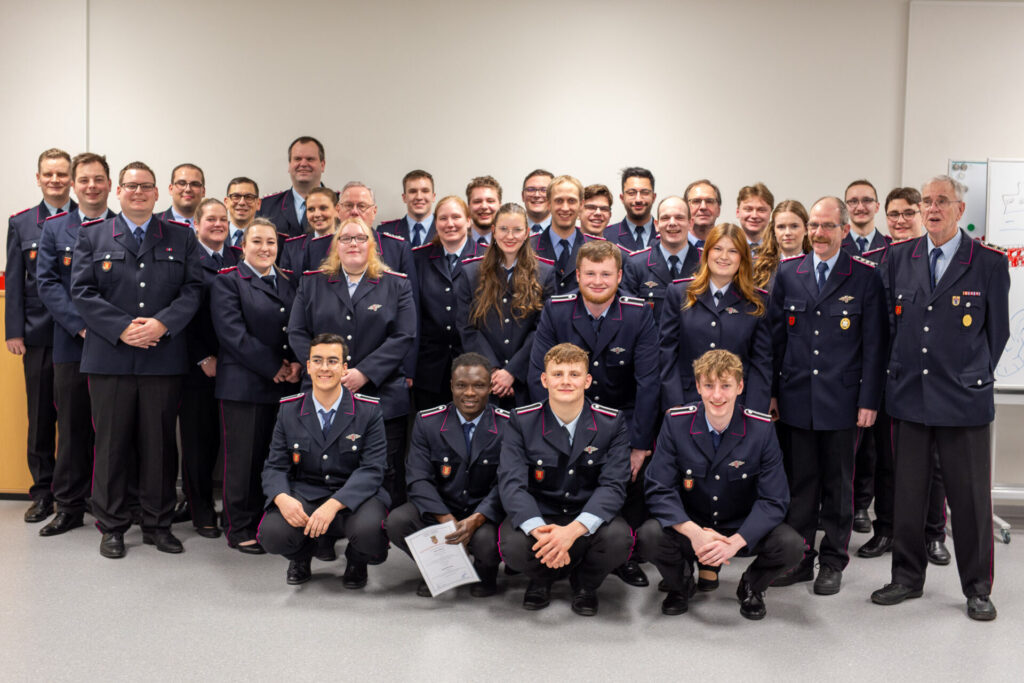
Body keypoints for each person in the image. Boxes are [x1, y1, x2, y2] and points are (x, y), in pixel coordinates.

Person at [871, 175, 1009, 621]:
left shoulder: (987, 263)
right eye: (926, 201)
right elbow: (888, 329)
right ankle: (907, 579)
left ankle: (977, 588)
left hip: (963, 401)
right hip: (909, 397)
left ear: (959, 211)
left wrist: (971, 374)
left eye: (941, 201)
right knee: (908, 496)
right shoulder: (897, 258)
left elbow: (998, 332)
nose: (932, 208)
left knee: (969, 501)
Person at [70, 161, 202, 558]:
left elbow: (193, 290)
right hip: (110, 358)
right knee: (111, 444)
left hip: (162, 358)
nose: (138, 192)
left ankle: (158, 523)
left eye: (146, 186)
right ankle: (111, 525)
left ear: (158, 193)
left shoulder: (181, 237)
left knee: (159, 444)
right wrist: (123, 328)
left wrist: (162, 324)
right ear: (118, 192)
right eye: (131, 186)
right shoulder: (92, 236)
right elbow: (82, 291)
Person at [768, 196, 887, 595]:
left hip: (843, 401)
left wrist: (869, 400)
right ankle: (800, 559)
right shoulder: (788, 273)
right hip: (797, 397)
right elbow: (775, 339)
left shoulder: (865, 276)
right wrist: (771, 393)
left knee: (839, 488)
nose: (819, 233)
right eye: (814, 226)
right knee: (801, 485)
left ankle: (833, 561)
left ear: (843, 229)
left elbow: (874, 346)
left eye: (828, 226)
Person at [528, 239, 659, 588]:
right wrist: (553, 426)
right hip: (564, 412)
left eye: (605, 274)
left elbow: (648, 382)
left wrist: (639, 444)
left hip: (623, 417)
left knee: (627, 484)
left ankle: (623, 557)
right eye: (590, 273)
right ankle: (557, 555)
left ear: (619, 276)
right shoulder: (557, 309)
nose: (597, 281)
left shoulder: (638, 312)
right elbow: (537, 373)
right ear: (578, 276)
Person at [637, 350, 802, 619]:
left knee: (792, 545)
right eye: (709, 385)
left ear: (739, 387)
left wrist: (737, 541)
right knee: (649, 536)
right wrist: (694, 532)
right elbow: (658, 488)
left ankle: (752, 586)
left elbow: (774, 499)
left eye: (725, 385)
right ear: (698, 386)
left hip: (740, 524)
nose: (717, 396)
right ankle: (681, 583)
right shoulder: (676, 423)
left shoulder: (761, 428)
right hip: (692, 523)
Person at [288, 216, 416, 508]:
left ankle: (371, 537)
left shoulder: (396, 285)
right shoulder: (311, 283)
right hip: (322, 393)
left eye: (361, 238)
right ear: (336, 245)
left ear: (372, 245)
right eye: (346, 238)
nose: (353, 244)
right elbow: (297, 332)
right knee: (323, 468)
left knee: (382, 470)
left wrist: (364, 373)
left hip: (380, 393)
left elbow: (404, 335)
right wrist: (325, 371)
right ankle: (323, 534)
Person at [498, 343, 633, 616]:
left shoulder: (611, 423)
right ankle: (541, 580)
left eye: (574, 374)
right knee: (510, 544)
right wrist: (540, 531)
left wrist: (571, 532)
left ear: (587, 380)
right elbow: (512, 483)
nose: (566, 381)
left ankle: (585, 585)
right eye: (558, 374)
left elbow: (613, 485)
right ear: (545, 380)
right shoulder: (522, 421)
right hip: (542, 518)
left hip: (584, 517)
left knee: (620, 538)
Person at [857, 187, 950, 564]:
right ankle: (887, 530)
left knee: (935, 462)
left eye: (908, 212)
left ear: (921, 214)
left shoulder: (938, 260)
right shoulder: (875, 261)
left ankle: (933, 535)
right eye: (893, 214)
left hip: (930, 379)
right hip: (886, 377)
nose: (899, 220)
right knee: (886, 460)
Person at [258, 333, 390, 587]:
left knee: (371, 534)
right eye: (317, 361)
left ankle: (356, 561)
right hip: (306, 493)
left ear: (344, 368)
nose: (324, 368)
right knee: (272, 534)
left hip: (353, 496)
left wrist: (333, 505)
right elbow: (275, 465)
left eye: (332, 361)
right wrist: (282, 498)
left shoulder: (368, 410)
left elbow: (373, 469)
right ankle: (301, 556)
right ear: (308, 366)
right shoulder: (289, 410)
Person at [35, 152, 115, 536]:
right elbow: (47, 283)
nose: (91, 186)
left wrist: (107, 327)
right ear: (73, 184)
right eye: (84, 180)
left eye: (98, 179)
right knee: (71, 428)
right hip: (72, 344)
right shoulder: (54, 228)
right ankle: (68, 506)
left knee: (116, 431)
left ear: (109, 184)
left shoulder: (124, 227)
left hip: (116, 347)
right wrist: (82, 326)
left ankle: (115, 504)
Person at [386, 352, 507, 597]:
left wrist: (477, 519)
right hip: (442, 508)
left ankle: (485, 572)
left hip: (483, 513)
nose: (470, 393)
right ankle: (440, 567)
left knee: (486, 543)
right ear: (451, 385)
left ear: (490, 388)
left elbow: (507, 482)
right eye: (461, 385)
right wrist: (445, 519)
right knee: (397, 521)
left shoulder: (508, 425)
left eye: (479, 386)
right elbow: (418, 479)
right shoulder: (428, 422)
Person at [213, 217, 301, 553]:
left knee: (274, 458)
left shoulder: (289, 282)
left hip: (284, 385)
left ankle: (270, 523)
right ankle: (239, 527)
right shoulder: (229, 282)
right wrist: (273, 367)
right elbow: (232, 334)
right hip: (244, 385)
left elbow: (297, 324)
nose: (265, 248)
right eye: (258, 242)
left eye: (271, 243)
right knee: (243, 461)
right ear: (244, 247)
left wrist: (295, 362)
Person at [6, 148, 74, 524]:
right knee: (41, 415)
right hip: (38, 335)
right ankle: (44, 492)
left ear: (71, 178)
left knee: (78, 418)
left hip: (80, 335)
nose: (55, 180)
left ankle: (75, 491)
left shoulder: (90, 220)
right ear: (38, 178)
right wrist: (13, 331)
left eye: (62, 174)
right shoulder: (22, 223)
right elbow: (15, 280)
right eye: (48, 174)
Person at [177, 198, 239, 537]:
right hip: (198, 366)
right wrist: (202, 357)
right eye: (211, 219)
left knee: (228, 441)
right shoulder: (187, 260)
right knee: (199, 441)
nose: (218, 224)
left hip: (235, 363)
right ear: (196, 225)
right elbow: (182, 314)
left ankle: (230, 509)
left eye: (223, 220)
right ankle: (200, 510)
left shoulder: (236, 258)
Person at [457, 203, 556, 409]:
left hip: (527, 380)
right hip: (485, 381)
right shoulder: (471, 272)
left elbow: (543, 330)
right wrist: (493, 371)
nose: (510, 236)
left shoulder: (545, 273)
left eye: (517, 230)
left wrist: (512, 372)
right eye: (503, 229)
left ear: (527, 233)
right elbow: (467, 328)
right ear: (493, 231)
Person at [411, 196, 485, 409]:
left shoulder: (486, 257)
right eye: (443, 218)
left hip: (473, 363)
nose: (450, 223)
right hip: (428, 368)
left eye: (456, 217)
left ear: (469, 221)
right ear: (435, 223)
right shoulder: (418, 258)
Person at [622, 196, 701, 323]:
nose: (672, 223)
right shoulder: (636, 264)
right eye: (665, 218)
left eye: (679, 217)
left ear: (690, 223)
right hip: (652, 342)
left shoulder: (706, 263)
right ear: (657, 225)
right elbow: (630, 318)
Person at [531, 175, 613, 294]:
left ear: (581, 205)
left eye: (571, 201)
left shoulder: (598, 248)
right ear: (548, 204)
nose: (565, 208)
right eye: (559, 201)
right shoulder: (527, 247)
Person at [258, 135, 326, 237]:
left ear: (322, 165)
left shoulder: (341, 205)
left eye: (310, 159)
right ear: (289, 165)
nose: (303, 163)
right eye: (297, 159)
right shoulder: (267, 207)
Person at [751, 200, 811, 291]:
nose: (787, 233)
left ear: (806, 229)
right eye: (781, 227)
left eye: (794, 226)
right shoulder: (757, 267)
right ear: (774, 231)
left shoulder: (818, 266)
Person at [279, 186, 341, 273]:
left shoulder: (350, 244)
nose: (317, 214)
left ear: (337, 210)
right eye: (311, 209)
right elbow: (286, 284)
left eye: (323, 208)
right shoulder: (292, 247)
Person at [603, 167, 657, 252]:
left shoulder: (666, 234)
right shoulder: (606, 237)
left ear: (653, 197)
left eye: (645, 192)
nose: (638, 199)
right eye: (631, 193)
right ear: (622, 198)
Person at [378, 170, 436, 246]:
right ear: (404, 198)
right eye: (413, 191)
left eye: (425, 191)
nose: (419, 197)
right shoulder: (385, 232)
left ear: (433, 197)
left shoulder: (447, 230)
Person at [842, 179, 891, 255]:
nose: (860, 208)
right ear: (845, 208)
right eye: (853, 201)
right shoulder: (834, 246)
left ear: (877, 207)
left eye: (867, 200)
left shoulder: (891, 248)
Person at [735, 183, 774, 255]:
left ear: (770, 213)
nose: (754, 216)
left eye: (761, 210)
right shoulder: (727, 248)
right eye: (748, 209)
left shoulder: (780, 249)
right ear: (738, 212)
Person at [684, 179, 723, 248]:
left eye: (709, 201)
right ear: (685, 209)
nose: (703, 207)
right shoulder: (672, 245)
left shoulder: (730, 247)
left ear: (718, 210)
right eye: (696, 201)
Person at [225, 176, 262, 248]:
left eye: (248, 197)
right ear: (226, 202)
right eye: (236, 196)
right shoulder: (211, 237)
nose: (242, 202)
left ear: (258, 204)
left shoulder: (271, 239)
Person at [466, 175, 502, 246]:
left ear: (500, 206)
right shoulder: (456, 241)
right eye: (477, 201)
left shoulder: (512, 241)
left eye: (490, 201)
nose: (484, 206)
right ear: (468, 207)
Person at [522, 169, 554, 234]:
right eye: (531, 189)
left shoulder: (566, 231)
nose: (537, 195)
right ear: (523, 196)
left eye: (544, 190)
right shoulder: (510, 230)